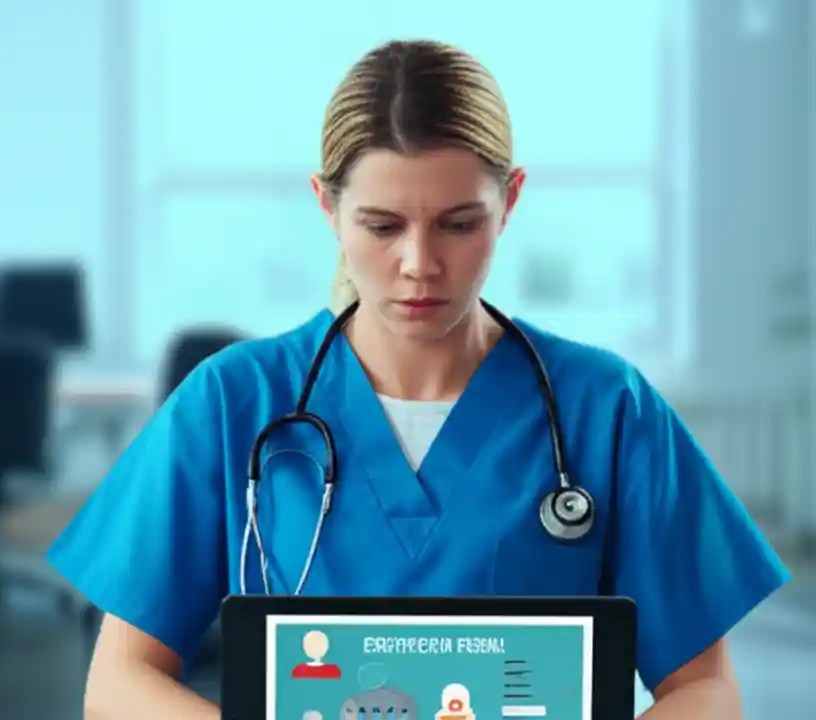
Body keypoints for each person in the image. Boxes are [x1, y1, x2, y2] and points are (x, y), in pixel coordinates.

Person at [46, 38, 789, 719]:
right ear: (327, 207)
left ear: (512, 201)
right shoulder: (232, 402)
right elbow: (118, 684)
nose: (420, 264)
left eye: (460, 224)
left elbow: (705, 688)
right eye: (382, 226)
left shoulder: (607, 410)